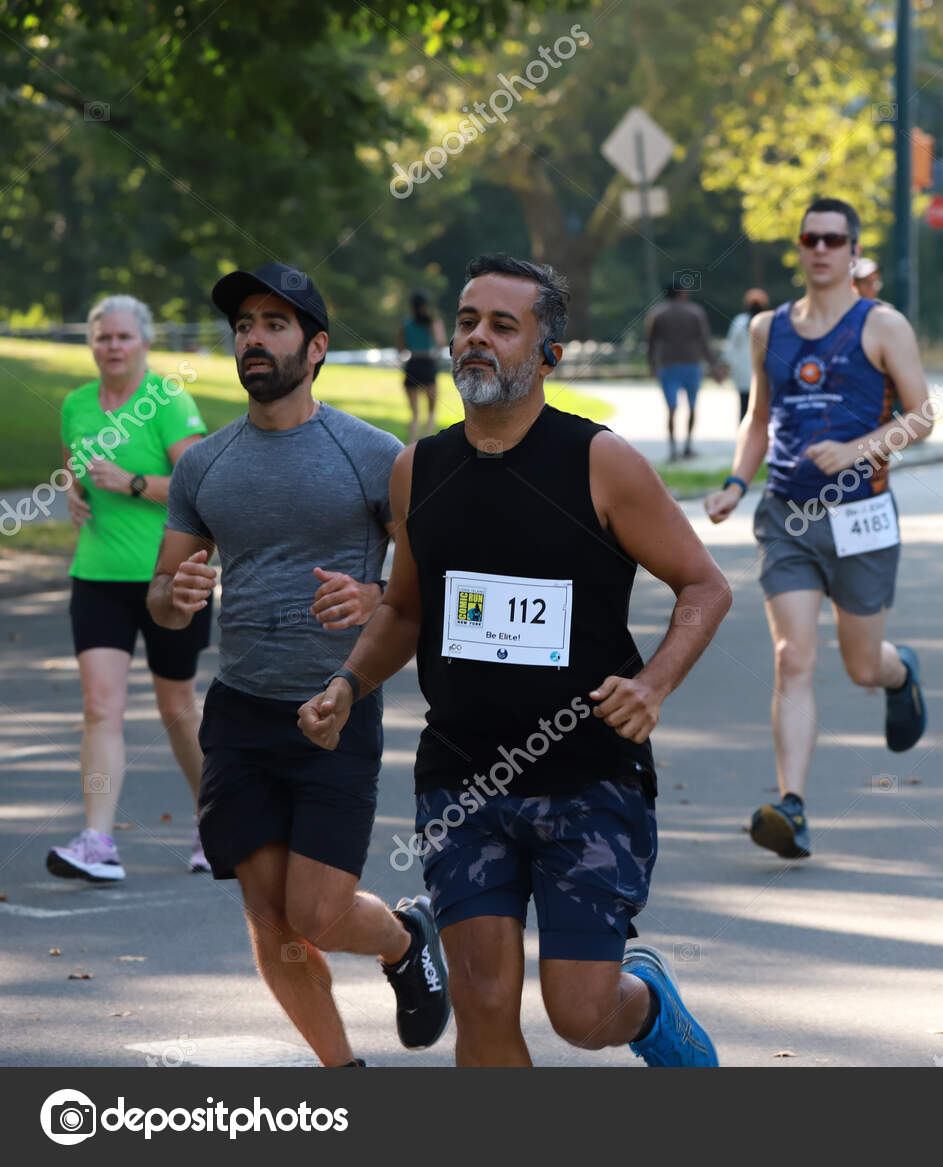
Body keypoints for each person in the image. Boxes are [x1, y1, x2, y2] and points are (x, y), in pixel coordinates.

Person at [298, 253, 730, 1067]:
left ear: (548, 353)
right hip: (462, 778)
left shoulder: (599, 462)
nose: (476, 339)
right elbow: (403, 608)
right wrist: (347, 683)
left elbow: (705, 584)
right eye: (466, 321)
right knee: (485, 1002)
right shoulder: (417, 470)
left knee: (579, 1010)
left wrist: (653, 683)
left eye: (502, 324)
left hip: (588, 777)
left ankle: (647, 1007)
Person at [148, 261, 450, 1066]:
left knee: (316, 911)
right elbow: (162, 600)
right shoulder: (204, 465)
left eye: (274, 325)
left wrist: (374, 590)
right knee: (270, 920)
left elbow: (430, 585)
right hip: (241, 712)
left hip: (335, 708)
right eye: (245, 324)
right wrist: (176, 595)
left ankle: (403, 936)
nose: (254, 338)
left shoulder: (373, 454)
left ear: (315, 347)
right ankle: (343, 1076)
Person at [704, 197, 931, 861]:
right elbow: (758, 416)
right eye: (811, 238)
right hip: (787, 517)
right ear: (799, 248)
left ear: (852, 250)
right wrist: (735, 485)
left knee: (861, 664)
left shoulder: (883, 324)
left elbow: (922, 417)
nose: (823, 248)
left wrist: (860, 448)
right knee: (791, 657)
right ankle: (792, 805)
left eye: (835, 239)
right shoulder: (767, 329)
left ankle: (899, 674)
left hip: (861, 515)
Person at [48, 295, 211, 882]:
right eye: (102, 337)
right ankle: (97, 840)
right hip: (96, 575)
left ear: (143, 342)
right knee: (99, 708)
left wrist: (132, 481)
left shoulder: (167, 402)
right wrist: (73, 491)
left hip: (169, 578)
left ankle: (212, 820)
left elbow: (199, 489)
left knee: (176, 709)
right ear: (91, 345)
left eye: (123, 337)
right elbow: (75, 466)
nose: (112, 346)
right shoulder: (74, 404)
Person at [644, 281, 717, 460]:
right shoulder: (696, 312)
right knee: (692, 406)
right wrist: (713, 365)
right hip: (692, 364)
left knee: (671, 408)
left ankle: (673, 449)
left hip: (667, 364)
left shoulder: (657, 314)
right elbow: (704, 340)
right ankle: (688, 446)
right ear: (681, 293)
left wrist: (652, 365)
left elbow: (651, 342)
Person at [398, 292, 447, 444]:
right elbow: (441, 342)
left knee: (414, 414)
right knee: (431, 411)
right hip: (428, 364)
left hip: (412, 364)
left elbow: (400, 348)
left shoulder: (406, 323)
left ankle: (411, 444)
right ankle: (427, 443)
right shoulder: (433, 322)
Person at [720, 288, 770, 421]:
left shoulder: (740, 321)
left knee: (744, 408)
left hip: (743, 371)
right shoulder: (769, 321)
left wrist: (726, 365)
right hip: (760, 371)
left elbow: (730, 347)